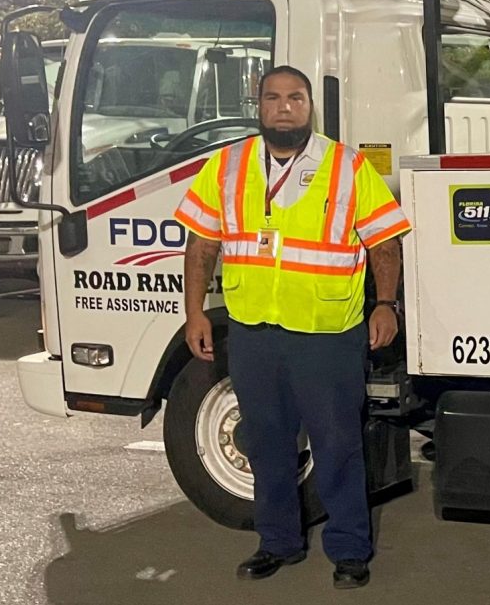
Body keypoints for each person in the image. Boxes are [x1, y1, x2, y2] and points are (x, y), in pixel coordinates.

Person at [174, 65, 410, 590]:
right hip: (254, 332)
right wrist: (194, 312)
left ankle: (349, 551)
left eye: (296, 98)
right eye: (273, 98)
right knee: (265, 443)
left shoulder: (347, 166)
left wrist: (386, 303)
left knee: (337, 444)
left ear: (309, 107)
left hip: (327, 333)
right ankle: (277, 543)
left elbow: (384, 242)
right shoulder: (226, 166)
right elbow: (202, 246)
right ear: (258, 105)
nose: (285, 107)